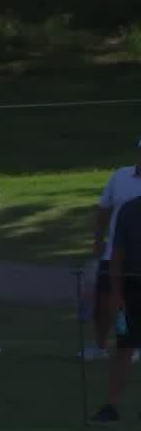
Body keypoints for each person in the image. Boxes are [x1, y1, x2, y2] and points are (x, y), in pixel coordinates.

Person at [87, 139, 141, 361]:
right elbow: (103, 209)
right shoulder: (120, 175)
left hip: (138, 258)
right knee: (104, 302)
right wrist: (98, 239)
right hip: (113, 253)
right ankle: (99, 346)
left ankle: (134, 346)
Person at [93, 195, 141, 422]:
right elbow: (117, 255)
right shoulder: (130, 210)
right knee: (124, 345)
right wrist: (116, 292)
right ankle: (110, 406)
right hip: (131, 287)